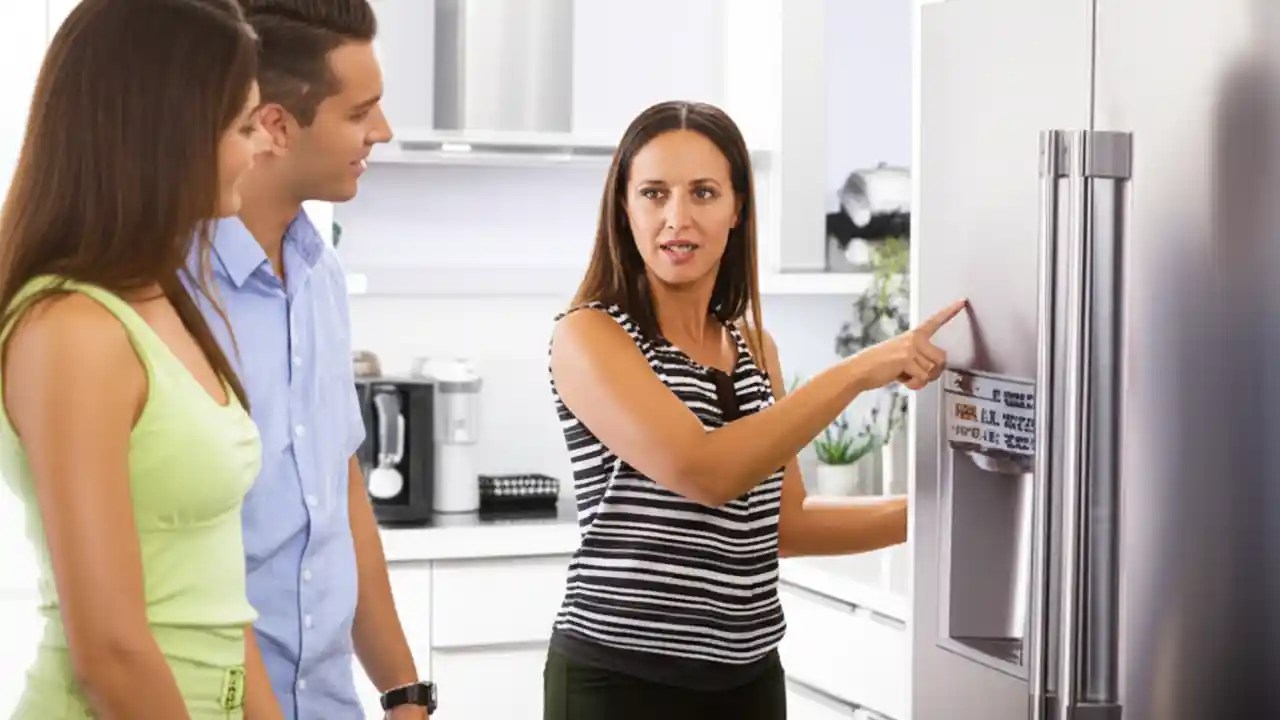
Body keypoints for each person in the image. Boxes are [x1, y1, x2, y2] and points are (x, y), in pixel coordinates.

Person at [544, 100, 965, 720]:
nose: (676, 218)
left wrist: (952, 515)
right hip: (619, 680)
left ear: (737, 208)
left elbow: (785, 524)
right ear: (624, 207)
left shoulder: (752, 348)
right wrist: (854, 374)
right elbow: (706, 472)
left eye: (704, 193)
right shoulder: (590, 335)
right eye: (654, 193)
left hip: (748, 679)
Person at [0, 1, 283, 718]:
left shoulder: (164, 300)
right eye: (244, 126)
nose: (262, 148)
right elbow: (111, 652)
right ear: (166, 134)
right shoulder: (72, 328)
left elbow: (219, 598)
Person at [189, 1, 432, 718]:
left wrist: (402, 689)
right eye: (361, 113)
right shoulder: (171, 289)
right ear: (276, 126)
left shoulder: (319, 272)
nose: (381, 133)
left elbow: (340, 489)